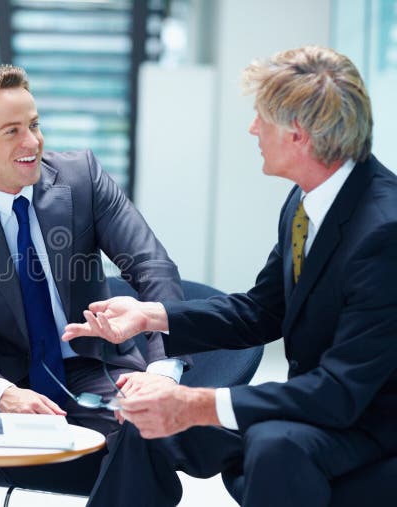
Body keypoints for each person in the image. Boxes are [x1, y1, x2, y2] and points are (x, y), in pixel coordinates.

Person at [63, 45, 397, 507]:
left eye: (261, 117)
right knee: (148, 419)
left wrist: (195, 404)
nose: (252, 128)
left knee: (275, 445)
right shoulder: (305, 202)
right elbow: (260, 311)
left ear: (298, 134)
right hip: (316, 405)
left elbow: (341, 392)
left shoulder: (384, 232)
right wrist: (150, 316)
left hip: (368, 422)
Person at [0, 64, 190, 507]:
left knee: (144, 418)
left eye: (33, 124)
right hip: (3, 371)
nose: (32, 141)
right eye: (12, 131)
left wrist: (162, 371)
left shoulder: (82, 178)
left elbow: (152, 267)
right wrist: (1, 394)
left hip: (93, 368)